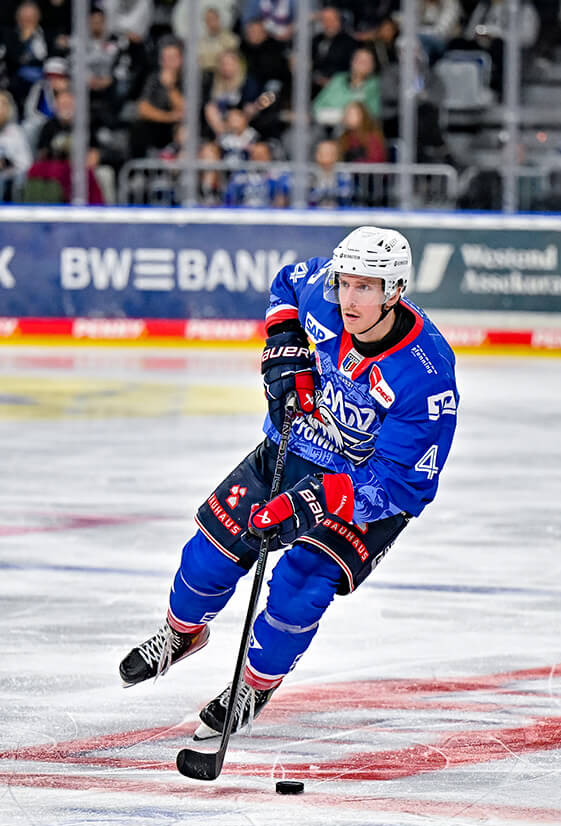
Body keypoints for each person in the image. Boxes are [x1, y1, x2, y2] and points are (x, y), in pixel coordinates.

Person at [118, 226, 460, 740]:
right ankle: (180, 635)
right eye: (346, 282)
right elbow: (285, 285)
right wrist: (283, 347)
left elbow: (401, 489)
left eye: (365, 287)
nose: (348, 297)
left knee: (298, 589)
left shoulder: (425, 377)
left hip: (361, 492)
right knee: (207, 556)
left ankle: (252, 688)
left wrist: (314, 502)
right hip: (295, 447)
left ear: (394, 292)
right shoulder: (322, 289)